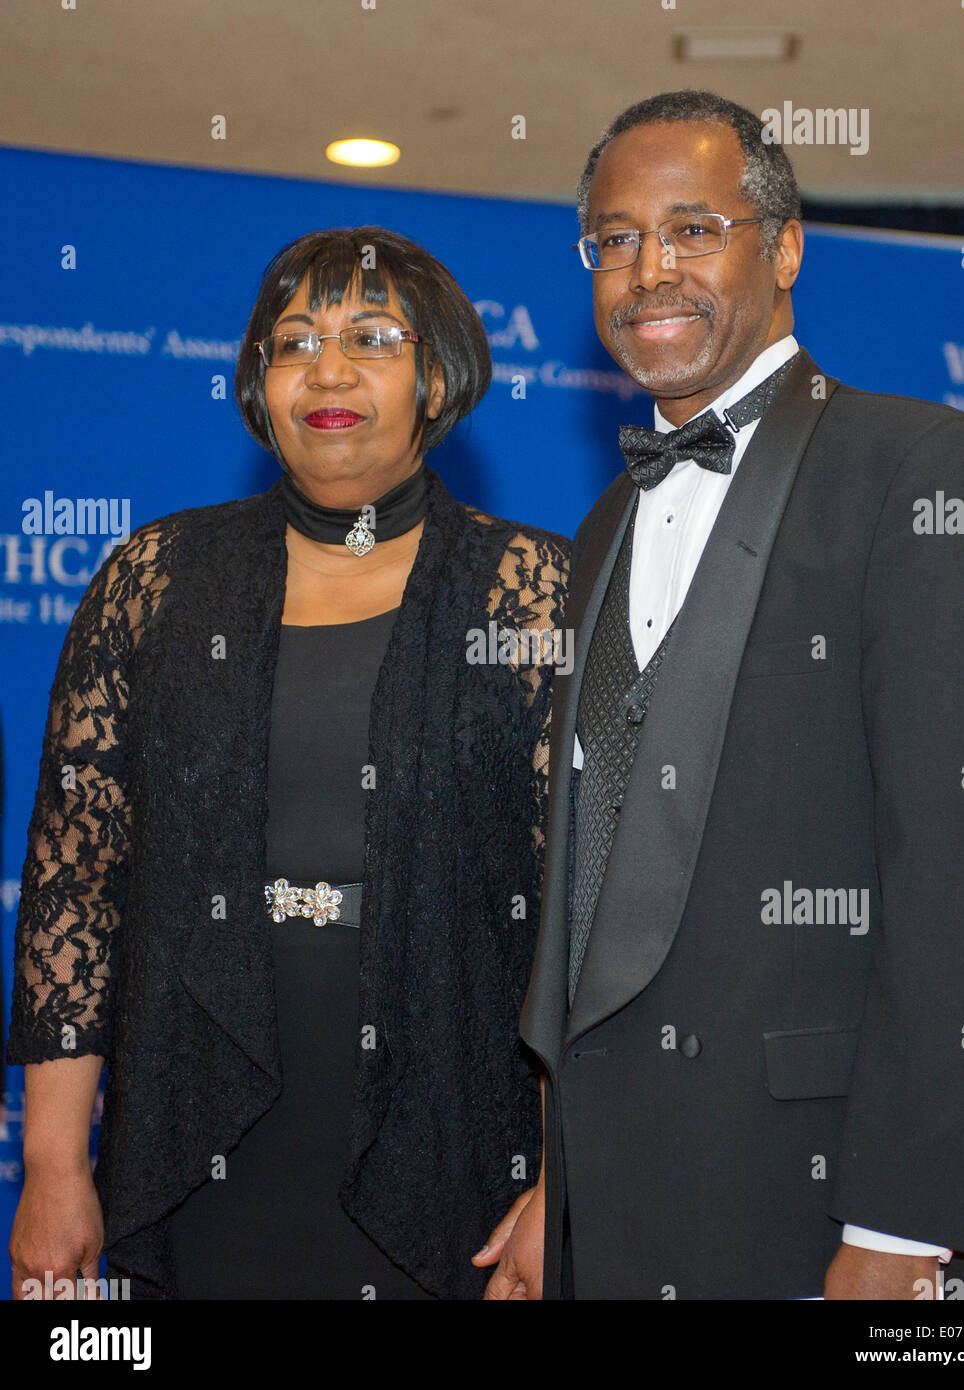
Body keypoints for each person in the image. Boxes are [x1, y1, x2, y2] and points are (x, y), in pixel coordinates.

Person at [478, 90, 964, 1301]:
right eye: (615, 239)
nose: (648, 269)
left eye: (692, 228)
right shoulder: (597, 530)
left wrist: (897, 1228)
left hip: (825, 1204)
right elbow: (593, 888)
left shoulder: (921, 470)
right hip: (612, 1211)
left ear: (784, 249)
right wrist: (553, 1178)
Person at [7, 226, 569, 1300]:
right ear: (259, 388)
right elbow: (76, 893)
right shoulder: (156, 582)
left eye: (371, 337)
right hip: (202, 1114)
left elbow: (575, 921)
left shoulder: (531, 590)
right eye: (293, 341)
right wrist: (51, 1166)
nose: (328, 370)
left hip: (454, 1129)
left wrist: (563, 1180)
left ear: (438, 379)